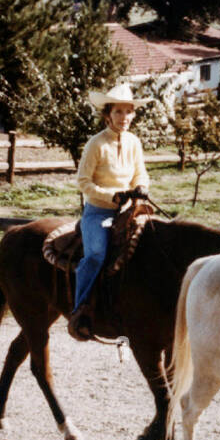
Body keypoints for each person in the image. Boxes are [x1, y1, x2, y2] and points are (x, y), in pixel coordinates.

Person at [69, 83, 150, 341]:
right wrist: (110, 195)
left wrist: (141, 187)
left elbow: (140, 173)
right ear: (107, 114)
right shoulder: (96, 144)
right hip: (98, 212)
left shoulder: (134, 142)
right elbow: (83, 182)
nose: (124, 117)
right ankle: (80, 309)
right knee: (95, 255)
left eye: (128, 112)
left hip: (130, 209)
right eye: (118, 112)